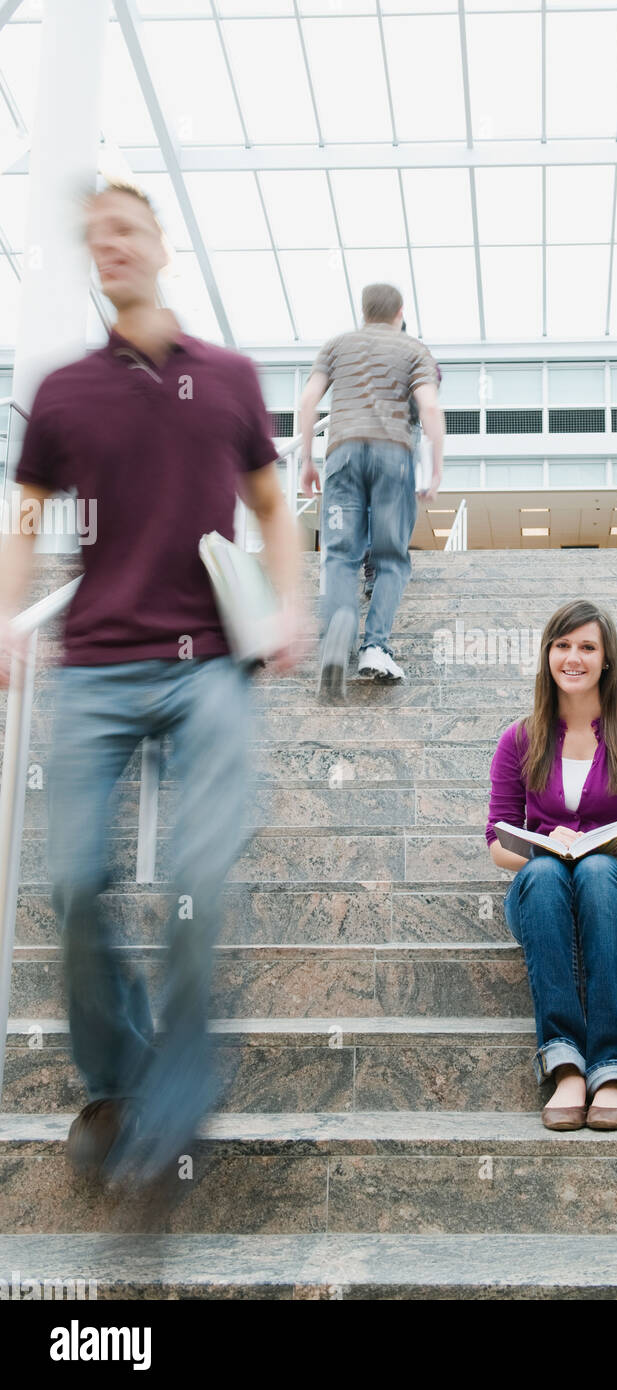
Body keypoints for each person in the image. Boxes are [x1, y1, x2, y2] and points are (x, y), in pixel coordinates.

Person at [0, 181, 303, 1185]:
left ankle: (168, 1101)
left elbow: (273, 502)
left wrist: (290, 605)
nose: (110, 246)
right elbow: (25, 515)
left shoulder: (225, 378)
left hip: (208, 666)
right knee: (75, 881)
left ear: (162, 240)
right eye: (96, 238)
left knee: (197, 886)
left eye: (125, 229)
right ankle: (118, 1073)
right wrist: (7, 618)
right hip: (92, 663)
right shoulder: (63, 391)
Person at [485, 600, 617, 1131]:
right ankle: (566, 1066)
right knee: (546, 873)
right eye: (563, 645)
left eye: (587, 647)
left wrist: (600, 854)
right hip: (545, 898)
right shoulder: (519, 740)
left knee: (595, 873)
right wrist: (548, 849)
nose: (573, 658)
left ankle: (615, 1068)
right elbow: (498, 840)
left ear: (607, 659)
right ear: (548, 654)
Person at [298, 284, 445, 698]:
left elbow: (308, 400)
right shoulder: (414, 350)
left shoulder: (336, 345)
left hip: (342, 454)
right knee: (391, 559)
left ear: (363, 311)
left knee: (340, 555)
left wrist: (307, 460)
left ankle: (337, 632)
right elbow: (430, 408)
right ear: (400, 311)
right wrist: (436, 469)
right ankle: (374, 648)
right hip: (393, 457)